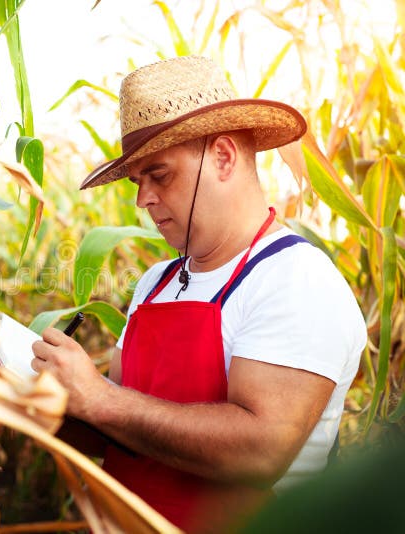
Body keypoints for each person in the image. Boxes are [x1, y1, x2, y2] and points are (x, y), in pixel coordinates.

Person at [30, 56, 366, 533]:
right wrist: (16, 395)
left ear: (224, 157)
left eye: (159, 174)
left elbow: (261, 450)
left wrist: (101, 398)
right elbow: (119, 430)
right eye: (136, 181)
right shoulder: (156, 282)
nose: (142, 199)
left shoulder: (295, 279)